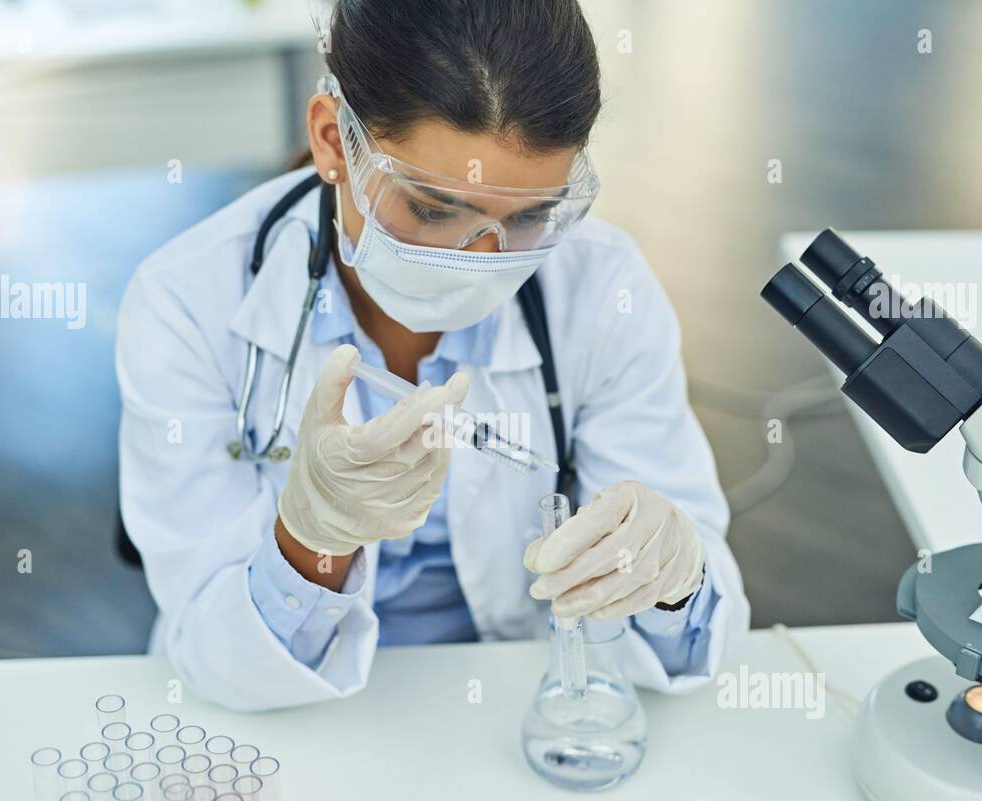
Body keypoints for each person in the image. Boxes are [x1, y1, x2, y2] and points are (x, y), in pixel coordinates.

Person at [115, 0, 748, 710]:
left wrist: (671, 581)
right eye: (434, 209)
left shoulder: (603, 288)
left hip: (513, 708)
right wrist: (311, 541)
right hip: (290, 722)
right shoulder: (186, 300)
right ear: (333, 141)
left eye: (531, 215)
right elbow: (218, 653)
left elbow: (694, 637)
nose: (481, 256)